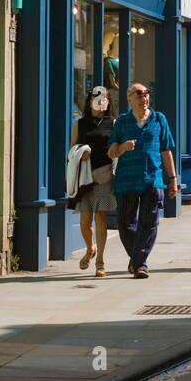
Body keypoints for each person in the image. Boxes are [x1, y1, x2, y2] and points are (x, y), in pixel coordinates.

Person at [108, 83, 178, 278]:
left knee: (149, 223)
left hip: (152, 179)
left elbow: (166, 151)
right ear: (129, 98)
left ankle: (139, 264)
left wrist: (173, 179)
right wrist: (123, 147)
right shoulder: (121, 122)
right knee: (125, 224)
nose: (144, 98)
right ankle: (138, 260)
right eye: (139, 95)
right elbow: (111, 151)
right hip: (126, 181)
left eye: (147, 94)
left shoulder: (159, 119)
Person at [69, 86, 115, 277]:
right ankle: (90, 248)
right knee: (85, 221)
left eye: (104, 99)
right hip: (84, 178)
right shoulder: (80, 124)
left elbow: (116, 148)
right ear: (89, 102)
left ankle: (100, 262)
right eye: (97, 98)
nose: (101, 102)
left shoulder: (113, 123)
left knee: (101, 218)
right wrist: (81, 152)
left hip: (103, 175)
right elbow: (71, 151)